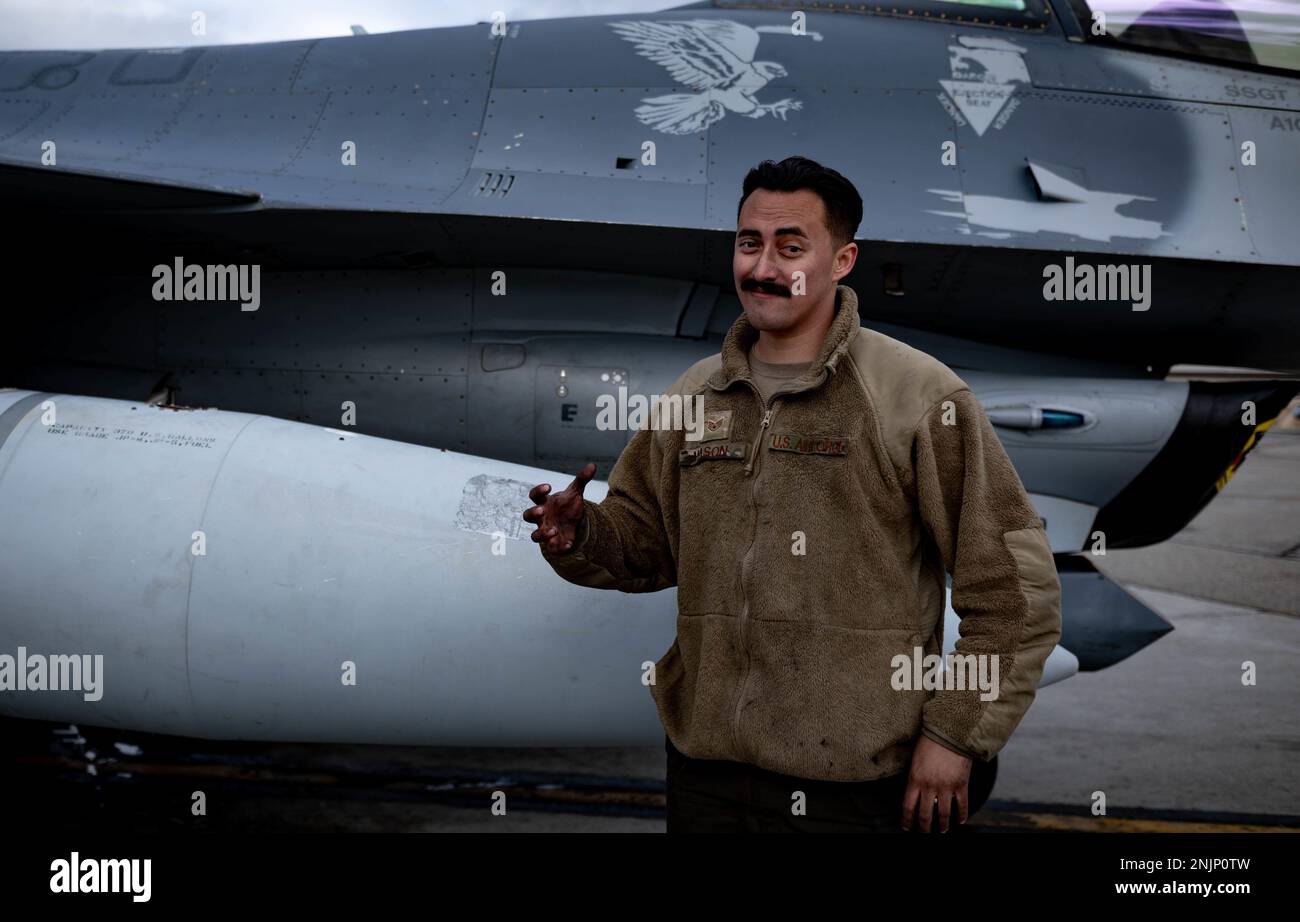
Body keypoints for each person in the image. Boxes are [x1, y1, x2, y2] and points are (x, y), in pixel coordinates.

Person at [523, 156, 1061, 833]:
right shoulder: (692, 396)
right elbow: (646, 547)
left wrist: (954, 736)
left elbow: (1014, 593)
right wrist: (582, 534)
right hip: (707, 776)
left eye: (791, 246)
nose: (763, 266)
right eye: (749, 243)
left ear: (842, 260)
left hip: (857, 785)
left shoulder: (919, 395)